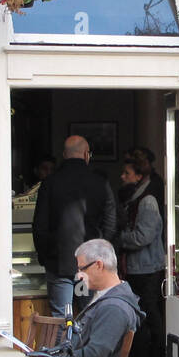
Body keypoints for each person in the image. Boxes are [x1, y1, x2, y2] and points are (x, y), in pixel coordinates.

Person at [33, 135, 117, 317]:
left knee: (62, 319)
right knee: (88, 315)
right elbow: (110, 223)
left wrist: (45, 255)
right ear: (87, 155)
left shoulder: (50, 183)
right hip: (89, 266)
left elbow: (39, 226)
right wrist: (100, 251)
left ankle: (64, 346)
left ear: (64, 155)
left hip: (59, 264)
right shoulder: (100, 183)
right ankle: (85, 346)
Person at [67, 239, 143, 357]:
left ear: (98, 265)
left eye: (82, 269)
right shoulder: (107, 298)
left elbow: (95, 353)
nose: (79, 275)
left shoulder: (114, 308)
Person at [117, 159, 166, 357]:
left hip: (145, 267)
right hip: (140, 266)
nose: (122, 176)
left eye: (127, 171)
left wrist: (118, 238)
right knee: (144, 315)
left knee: (146, 317)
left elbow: (143, 236)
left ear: (138, 175)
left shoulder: (146, 201)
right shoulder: (136, 199)